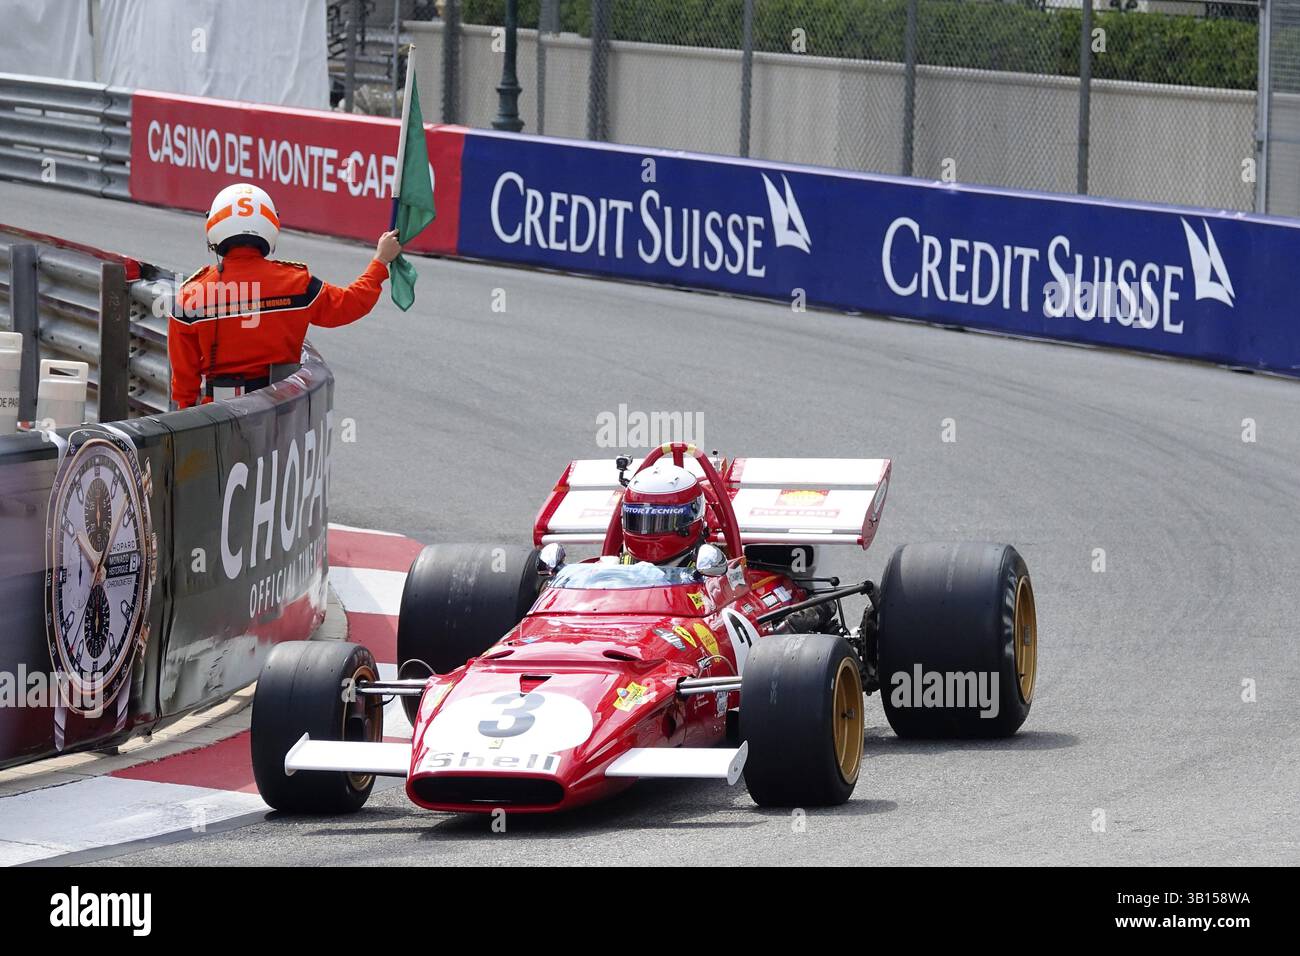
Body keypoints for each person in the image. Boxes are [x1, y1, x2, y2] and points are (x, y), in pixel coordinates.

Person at [168, 182, 402, 409]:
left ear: (214, 228)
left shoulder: (190, 296)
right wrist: (379, 262)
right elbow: (349, 304)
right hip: (282, 415)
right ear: (270, 225)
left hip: (219, 417)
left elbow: (184, 386)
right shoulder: (296, 283)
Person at [620, 462, 709, 566]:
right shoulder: (615, 565)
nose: (647, 532)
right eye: (638, 520)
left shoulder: (707, 563)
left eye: (662, 522)